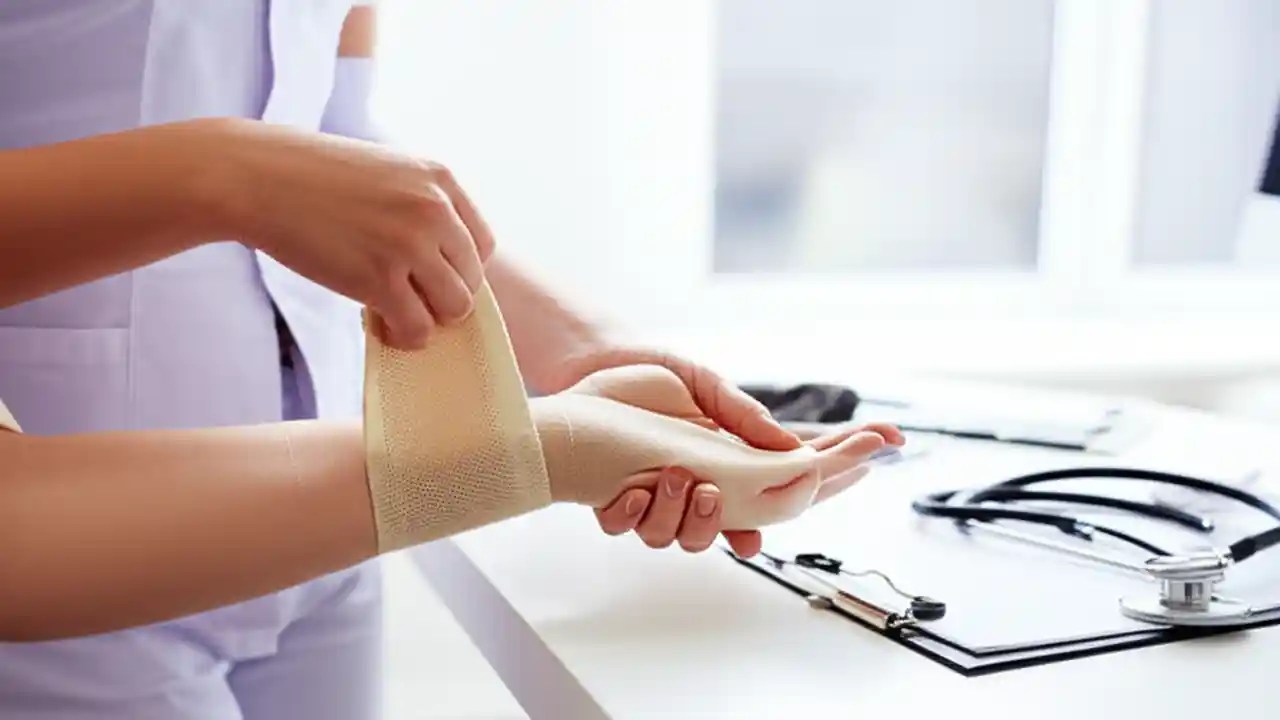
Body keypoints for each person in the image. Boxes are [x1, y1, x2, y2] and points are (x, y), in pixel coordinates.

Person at [0, 3, 898, 718]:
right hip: (91, 541)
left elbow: (337, 141)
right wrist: (225, 172)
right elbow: (272, 168)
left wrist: (577, 351)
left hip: (328, 518)